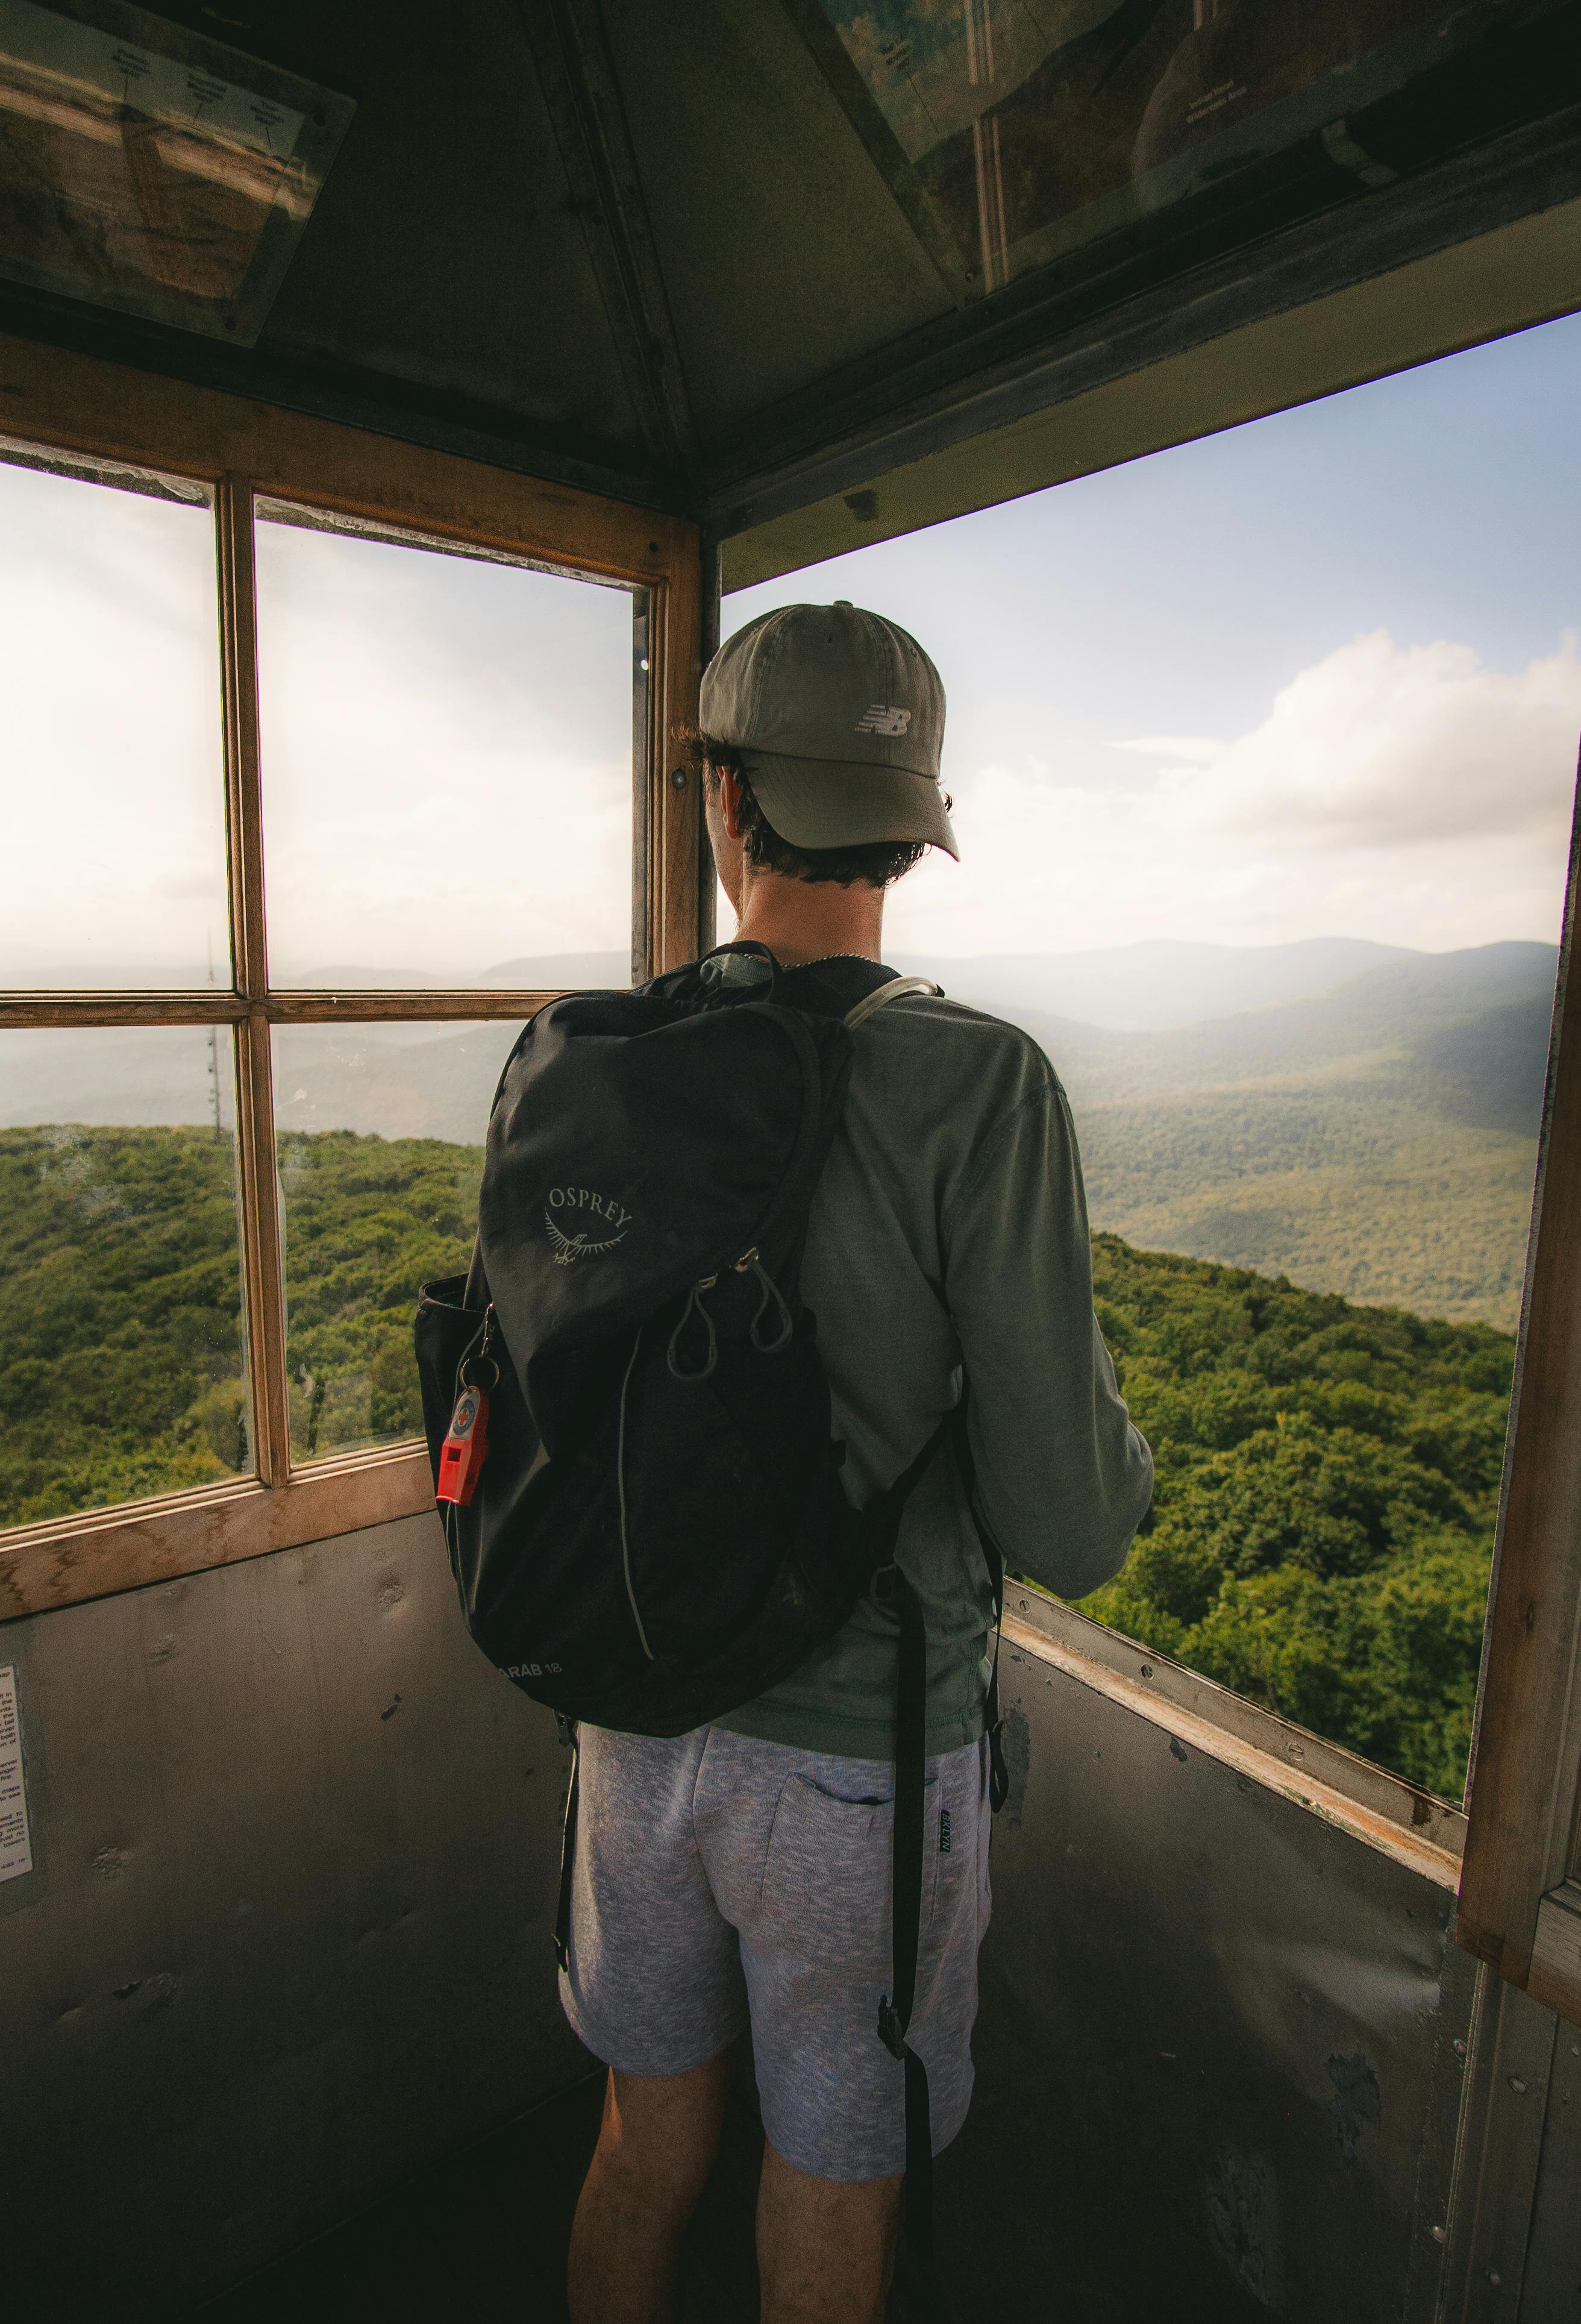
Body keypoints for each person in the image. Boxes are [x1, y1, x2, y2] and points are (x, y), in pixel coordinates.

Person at [560, 601, 1153, 2324]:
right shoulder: (981, 1086)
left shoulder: (614, 1058)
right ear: (912, 821)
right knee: (830, 2169)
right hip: (860, 1758)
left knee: (643, 2138)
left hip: (633, 1712)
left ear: (725, 805)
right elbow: (1070, 1515)